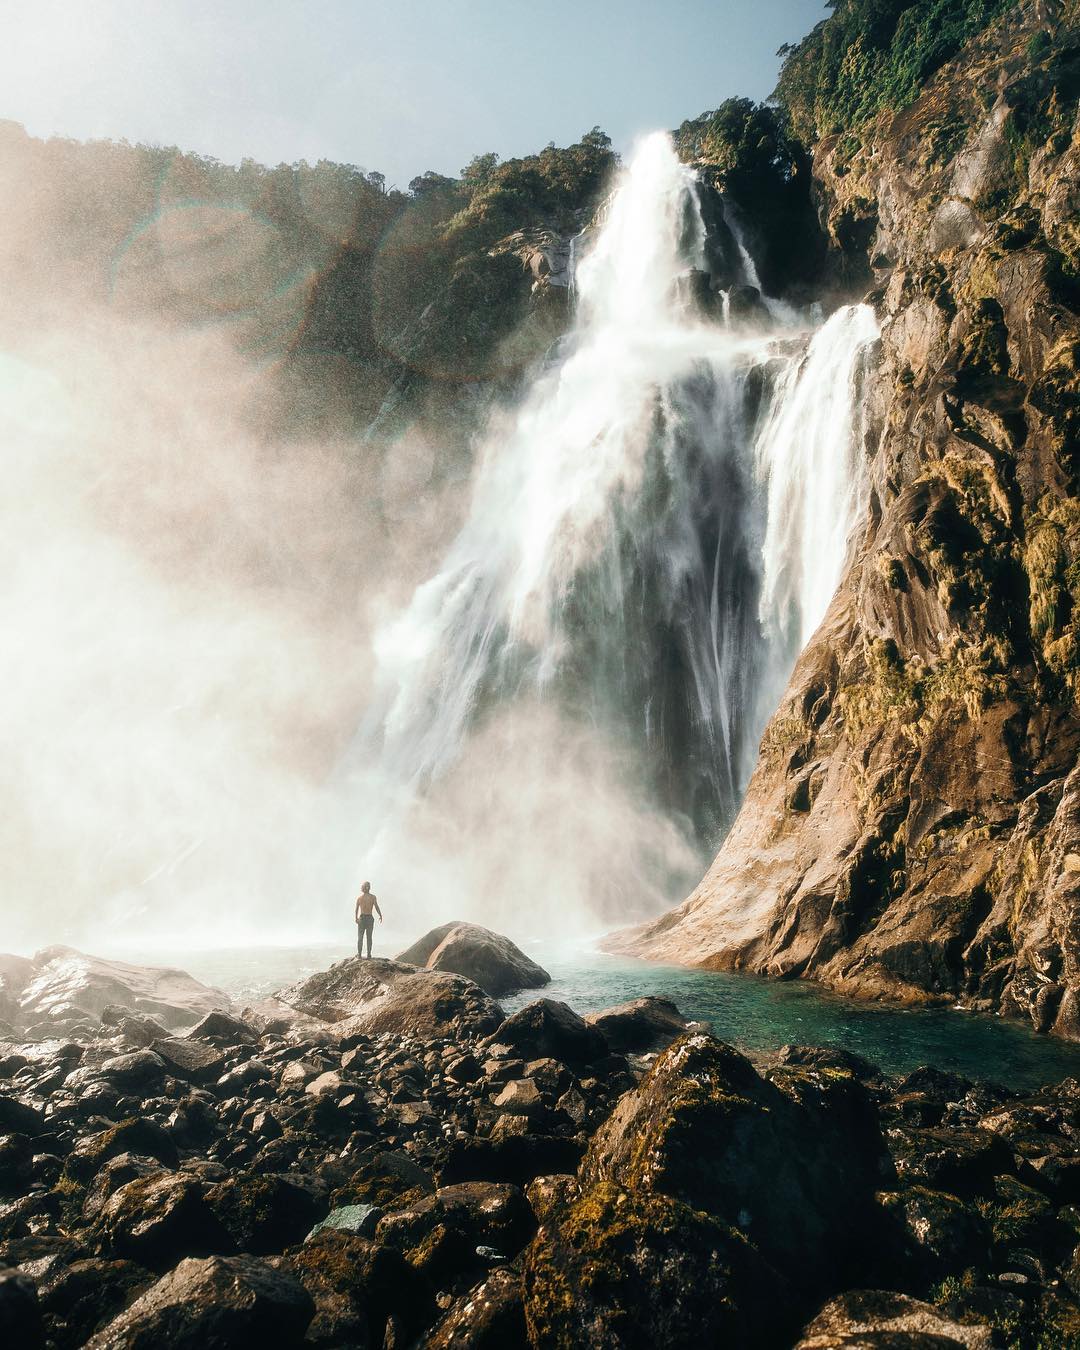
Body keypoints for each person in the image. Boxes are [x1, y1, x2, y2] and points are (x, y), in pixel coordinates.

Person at [354, 881, 382, 958]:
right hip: (369, 918)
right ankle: (368, 954)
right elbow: (376, 907)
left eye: (363, 887)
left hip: (362, 918)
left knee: (360, 937)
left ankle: (359, 954)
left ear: (364, 888)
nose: (362, 888)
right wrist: (380, 915)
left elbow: (356, 909)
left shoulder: (360, 898)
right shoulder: (373, 897)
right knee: (369, 937)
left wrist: (356, 918)